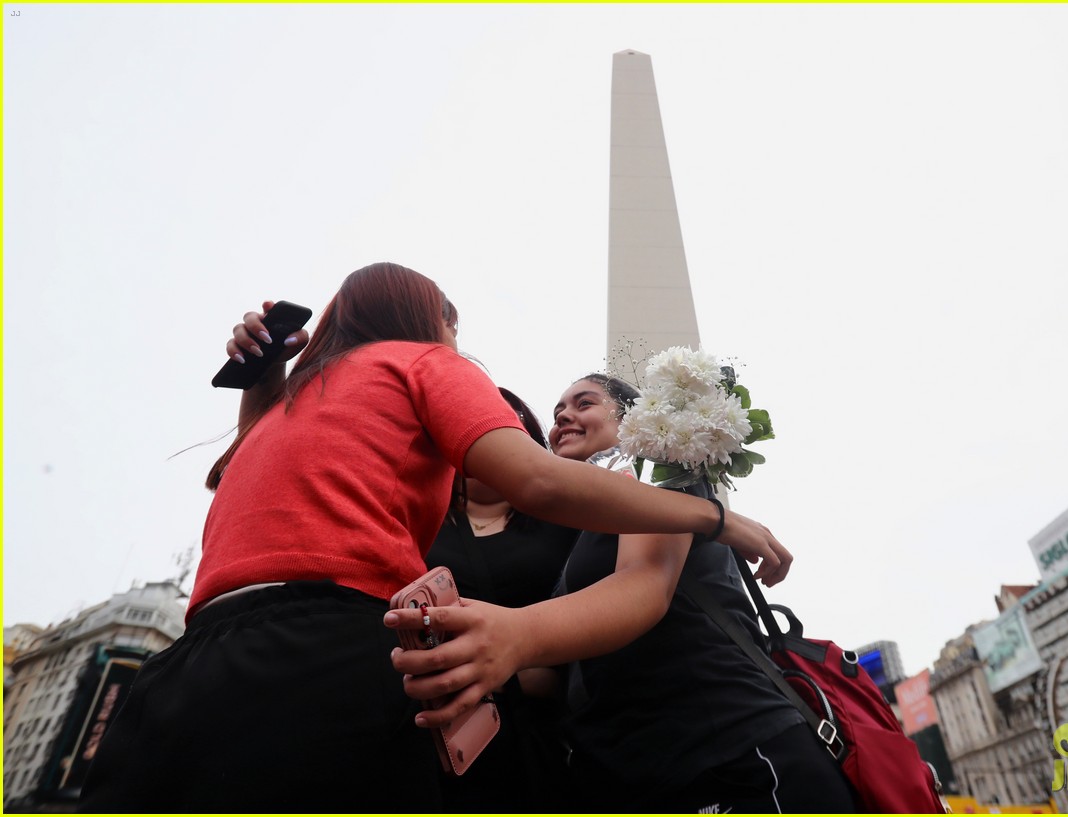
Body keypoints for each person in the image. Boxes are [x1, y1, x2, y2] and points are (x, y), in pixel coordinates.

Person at [79, 262, 790, 812]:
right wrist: (718, 518)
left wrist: (262, 379)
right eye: (454, 323)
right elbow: (537, 482)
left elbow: (256, 487)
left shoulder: (294, 398)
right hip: (333, 662)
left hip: (181, 677)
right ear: (436, 318)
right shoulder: (427, 364)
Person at [387, 374, 856, 812]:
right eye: (556, 413)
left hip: (730, 751)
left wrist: (513, 634)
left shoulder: (661, 470)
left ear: (635, 421)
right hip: (641, 772)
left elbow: (644, 588)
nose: (561, 419)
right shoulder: (580, 536)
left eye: (583, 403)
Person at [425, 387, 579, 812]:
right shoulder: (414, 524)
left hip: (556, 740)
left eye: (502, 424)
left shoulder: (572, 517)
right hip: (436, 741)